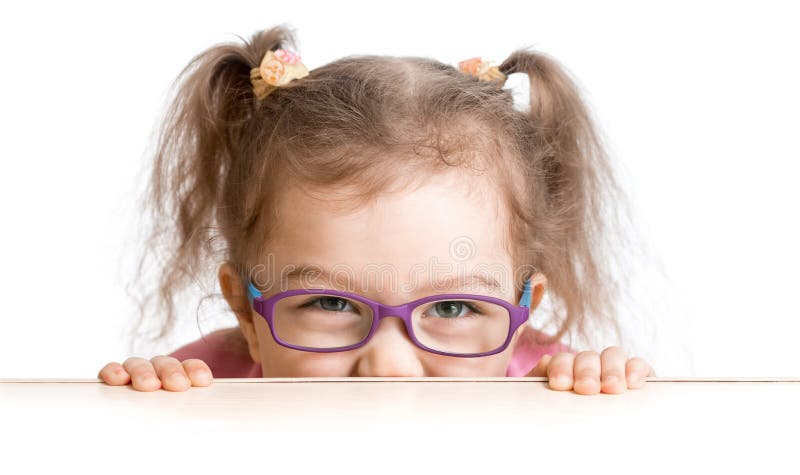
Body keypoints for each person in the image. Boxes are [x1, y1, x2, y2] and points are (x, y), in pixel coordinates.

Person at [98, 24, 656, 394]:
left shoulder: (547, 385)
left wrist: (602, 400)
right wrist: (147, 407)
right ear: (245, 310)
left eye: (455, 309)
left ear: (523, 308)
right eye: (331, 301)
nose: (388, 370)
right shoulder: (208, 387)